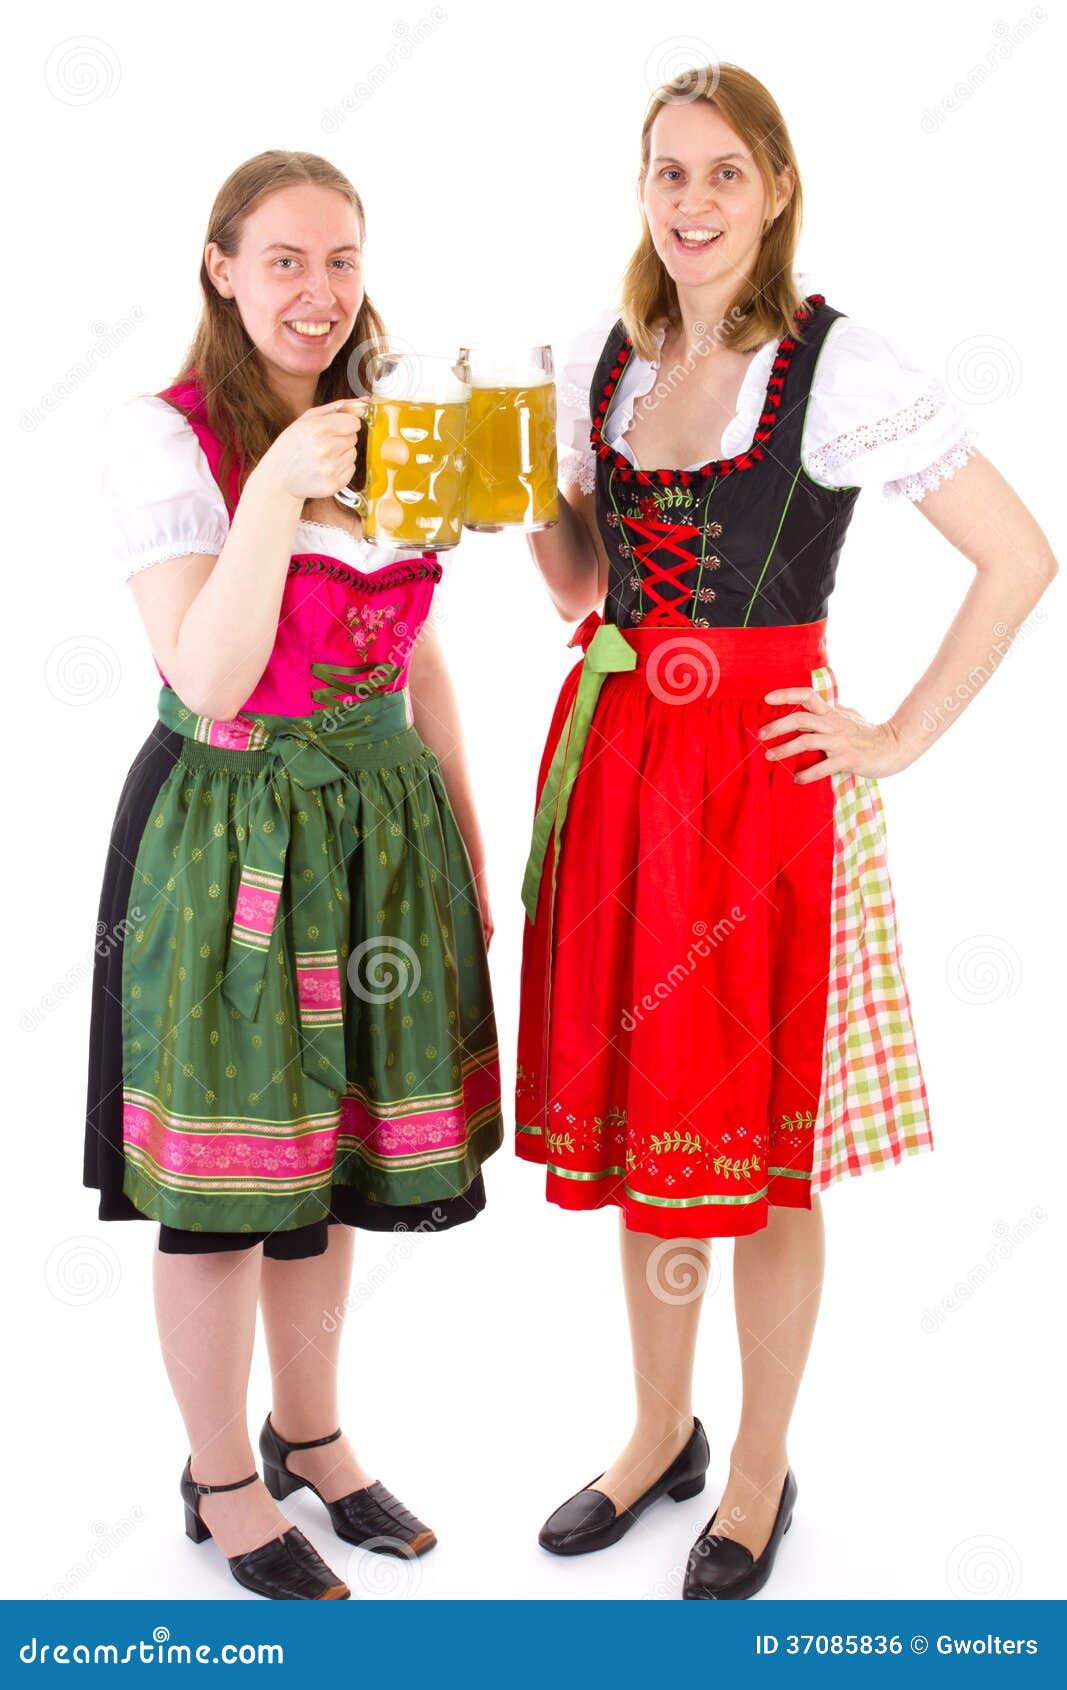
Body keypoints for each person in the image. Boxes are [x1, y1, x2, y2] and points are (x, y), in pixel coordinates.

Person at [516, 64, 1057, 1600]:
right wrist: (528, 499)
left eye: (722, 176)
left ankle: (757, 1468)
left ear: (775, 188)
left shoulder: (841, 362)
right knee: (641, 1128)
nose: (690, 205)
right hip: (621, 761)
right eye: (666, 174)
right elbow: (578, 591)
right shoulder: (605, 358)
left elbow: (1021, 557)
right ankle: (655, 1432)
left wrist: (886, 737)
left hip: (761, 789)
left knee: (769, 1155)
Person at [84, 150, 502, 1600]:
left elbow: (424, 647)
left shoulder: (396, 419)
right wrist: (272, 483)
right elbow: (204, 672)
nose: (317, 293)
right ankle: (218, 1478)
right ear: (221, 266)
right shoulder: (165, 438)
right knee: (223, 1179)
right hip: (229, 833)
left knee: (326, 1172)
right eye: (282, 260)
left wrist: (465, 842)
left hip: (378, 832)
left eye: (340, 261)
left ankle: (311, 1433)